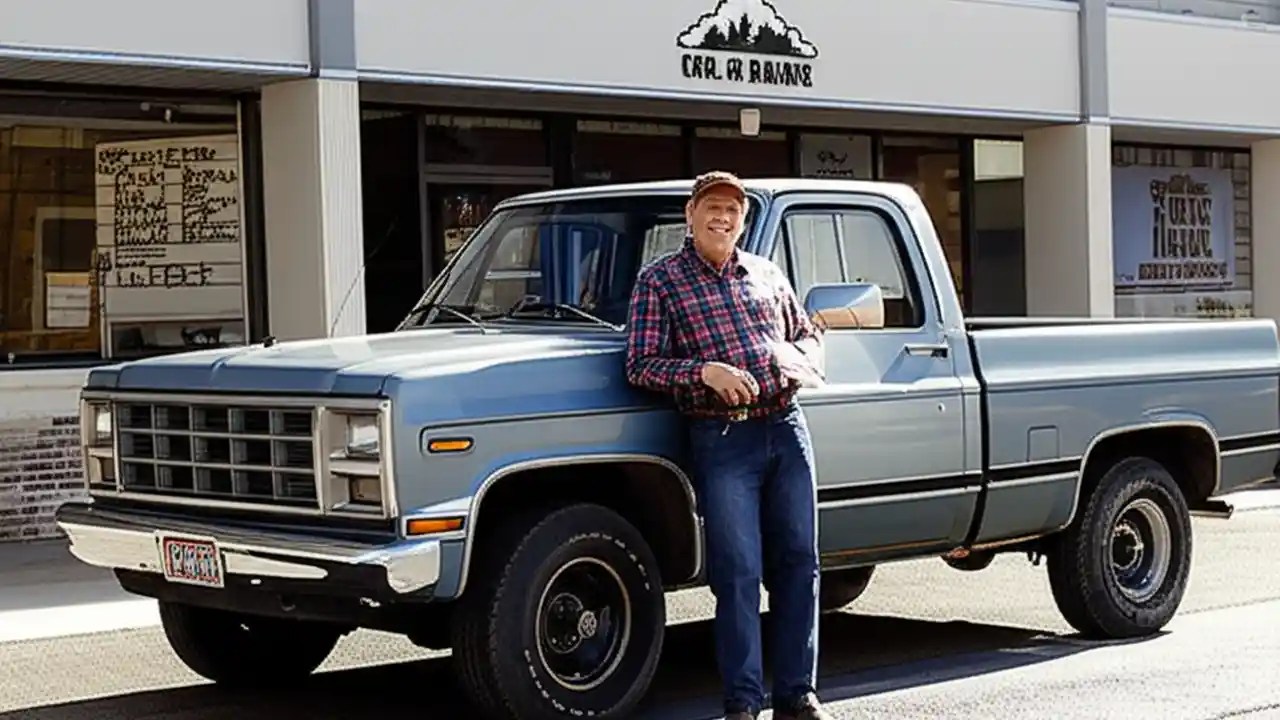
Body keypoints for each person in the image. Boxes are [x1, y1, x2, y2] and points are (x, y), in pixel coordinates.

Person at [624, 171, 831, 720]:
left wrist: (807, 353)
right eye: (712, 207)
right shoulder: (660, 281)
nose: (723, 217)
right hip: (722, 437)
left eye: (733, 210)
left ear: (744, 219)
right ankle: (742, 701)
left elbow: (805, 330)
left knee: (799, 563)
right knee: (737, 571)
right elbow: (640, 364)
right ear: (690, 215)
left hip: (786, 426)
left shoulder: (765, 273)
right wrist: (705, 373)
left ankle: (798, 693)